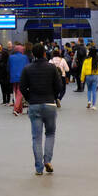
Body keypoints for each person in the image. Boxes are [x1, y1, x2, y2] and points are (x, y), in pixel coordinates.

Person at [19, 43, 65, 175]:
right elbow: (59, 85)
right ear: (45, 54)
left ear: (33, 54)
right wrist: (54, 96)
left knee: (36, 137)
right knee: (50, 134)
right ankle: (47, 160)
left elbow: (22, 87)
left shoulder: (27, 69)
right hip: (49, 104)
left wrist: (30, 98)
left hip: (34, 104)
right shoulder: (51, 68)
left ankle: (38, 168)